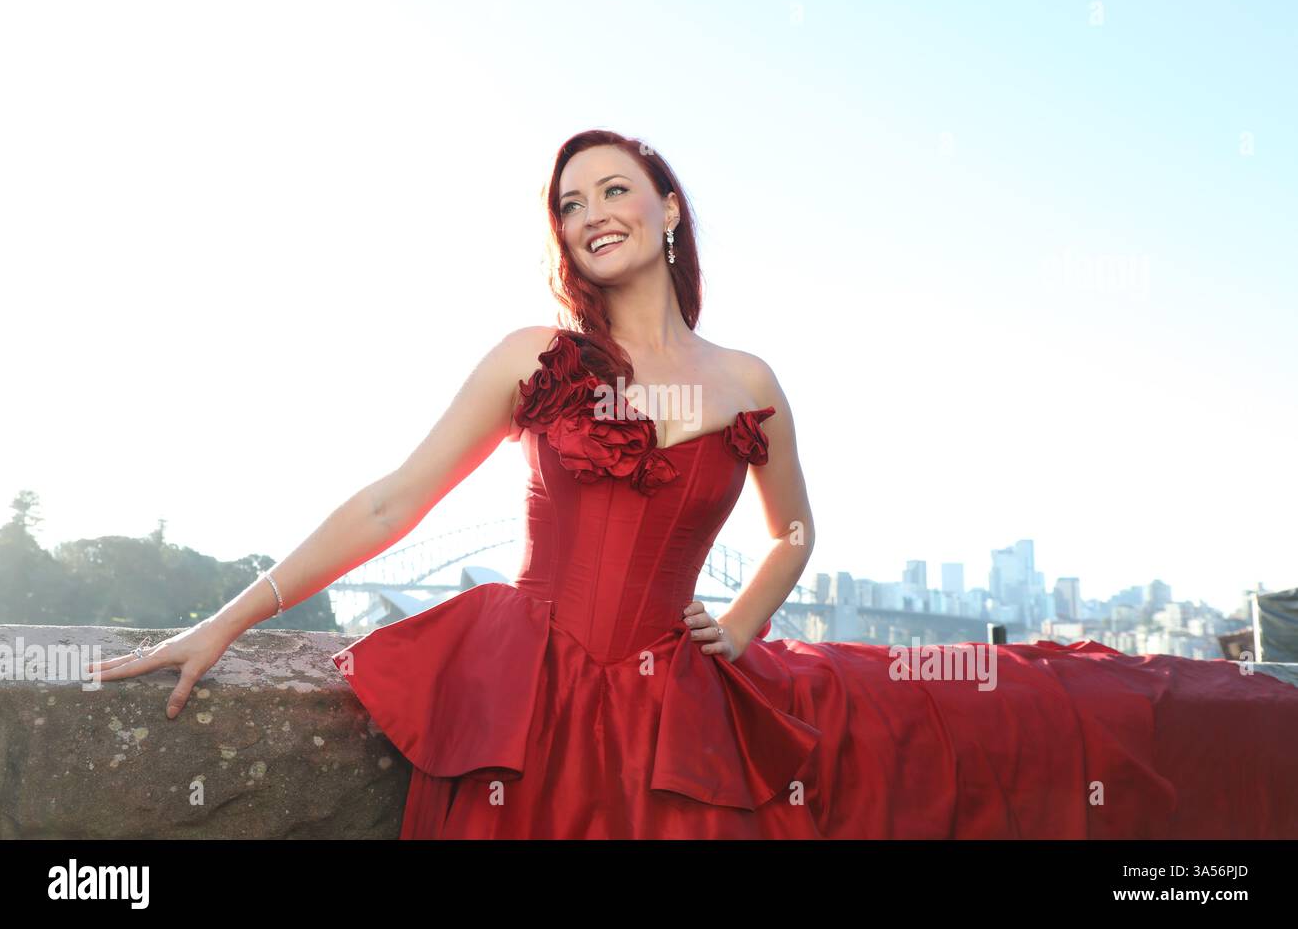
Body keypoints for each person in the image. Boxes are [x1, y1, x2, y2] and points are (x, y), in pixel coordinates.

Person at [89, 130, 1298, 839]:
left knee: (1019, 716)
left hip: (681, 707)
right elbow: (391, 502)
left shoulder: (746, 376)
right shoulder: (534, 359)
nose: (590, 211)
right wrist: (229, 615)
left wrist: (751, 618)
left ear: (667, 211)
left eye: (614, 188)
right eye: (569, 203)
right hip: (532, 697)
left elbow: (795, 528)